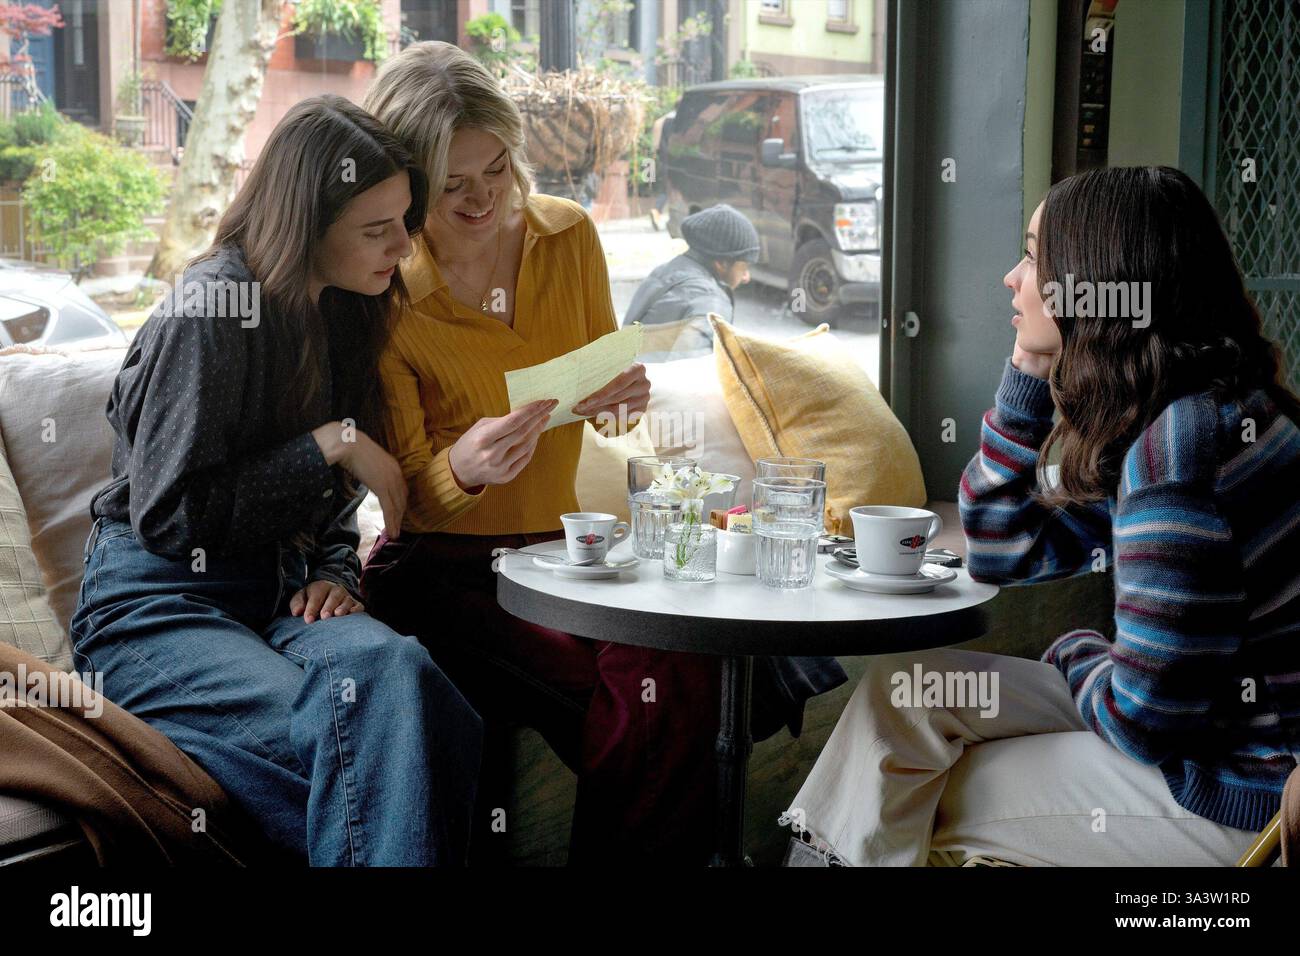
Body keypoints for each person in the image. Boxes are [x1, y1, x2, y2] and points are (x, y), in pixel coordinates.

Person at [358, 42, 843, 865]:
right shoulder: (392, 290)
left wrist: (621, 402)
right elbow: (409, 496)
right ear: (408, 183)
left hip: (562, 552)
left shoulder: (569, 236)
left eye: (498, 169)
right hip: (442, 567)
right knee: (662, 700)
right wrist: (465, 467)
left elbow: (602, 404)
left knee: (673, 661)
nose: (483, 198)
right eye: (454, 184)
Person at [781, 165, 1300, 867]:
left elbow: (1140, 721)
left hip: (1234, 785)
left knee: (904, 792)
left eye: (1032, 256)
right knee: (902, 695)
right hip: (1199, 722)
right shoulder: (1198, 409)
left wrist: (1075, 651)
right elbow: (1001, 545)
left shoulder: (1179, 457)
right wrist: (1027, 363)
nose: (1010, 277)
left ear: (1095, 286)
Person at [69, 95, 484, 867]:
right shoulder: (212, 309)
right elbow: (171, 516)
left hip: (283, 598)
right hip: (159, 606)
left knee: (408, 680)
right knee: (361, 738)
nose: (404, 243)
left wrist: (335, 571)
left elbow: (332, 510)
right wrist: (329, 444)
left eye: (403, 219)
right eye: (376, 229)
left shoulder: (348, 308)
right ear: (306, 226)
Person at [624, 203, 759, 358]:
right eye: (744, 267)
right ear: (722, 264)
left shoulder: (665, 271)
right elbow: (693, 373)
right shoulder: (709, 300)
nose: (746, 277)